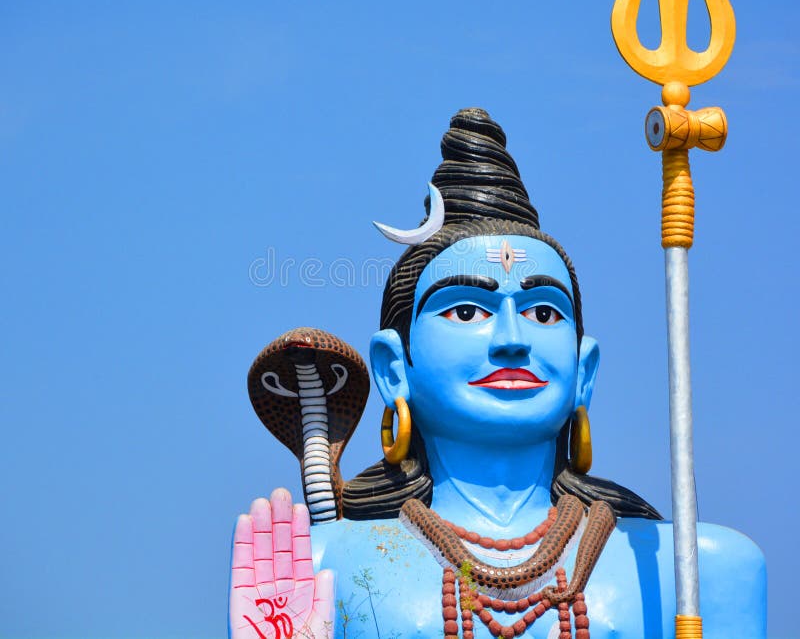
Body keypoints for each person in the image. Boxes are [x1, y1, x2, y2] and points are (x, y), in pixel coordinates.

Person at [230, 109, 766, 638]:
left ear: (585, 370)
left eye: (543, 312)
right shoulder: (325, 569)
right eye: (466, 311)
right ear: (394, 367)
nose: (513, 338)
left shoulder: (693, 572)